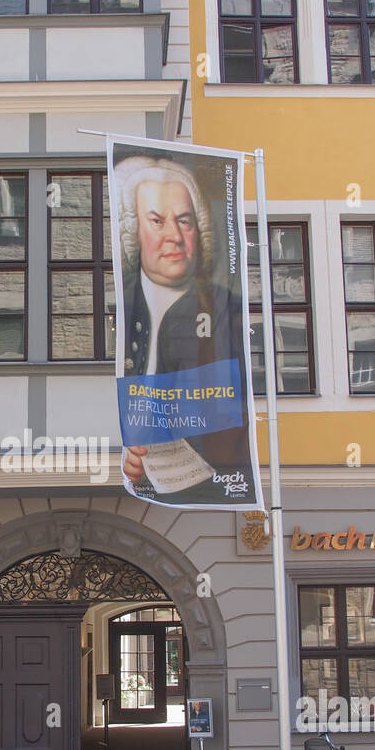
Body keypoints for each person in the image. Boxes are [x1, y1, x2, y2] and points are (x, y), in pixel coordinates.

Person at [114, 155, 253, 500]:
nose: (174, 236)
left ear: (199, 229)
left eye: (185, 221)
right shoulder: (117, 301)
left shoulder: (224, 307)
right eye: (157, 221)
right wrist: (132, 462)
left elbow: (225, 416)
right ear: (134, 230)